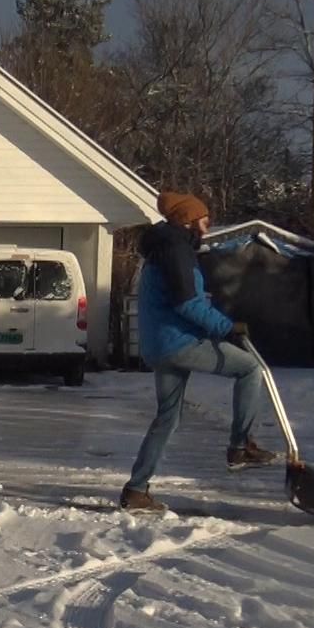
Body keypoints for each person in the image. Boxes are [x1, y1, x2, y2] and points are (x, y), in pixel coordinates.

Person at [120, 191, 277, 514]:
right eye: (205, 221)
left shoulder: (162, 250)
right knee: (250, 369)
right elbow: (186, 303)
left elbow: (180, 297)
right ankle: (239, 446)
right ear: (189, 220)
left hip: (160, 345)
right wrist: (226, 327)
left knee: (168, 418)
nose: (207, 228)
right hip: (178, 343)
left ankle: (136, 490)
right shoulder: (176, 250)